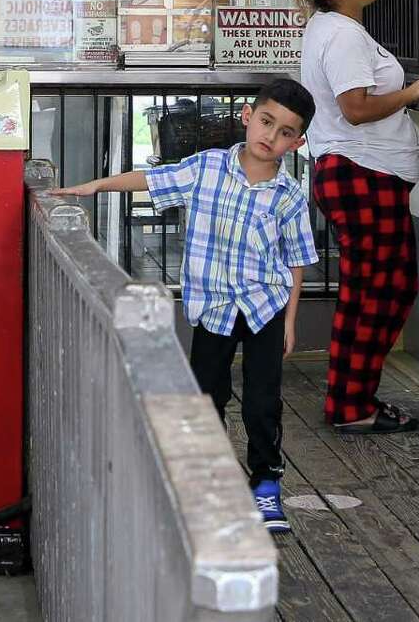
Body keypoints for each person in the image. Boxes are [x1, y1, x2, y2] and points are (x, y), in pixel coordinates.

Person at [59, 78, 318, 534]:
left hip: (266, 306)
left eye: (284, 132)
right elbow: (150, 178)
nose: (270, 136)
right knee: (207, 396)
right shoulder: (208, 168)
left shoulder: (290, 196)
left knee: (262, 402)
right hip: (214, 306)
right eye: (265, 121)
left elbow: (295, 263)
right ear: (247, 116)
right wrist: (97, 186)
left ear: (297, 142)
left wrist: (291, 321)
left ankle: (266, 485)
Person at [277, 0, 419, 435]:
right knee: (382, 292)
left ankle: (353, 399)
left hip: (357, 174)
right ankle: (352, 404)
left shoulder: (329, 29)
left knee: (376, 292)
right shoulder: (345, 36)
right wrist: (413, 91)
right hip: (362, 174)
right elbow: (355, 108)